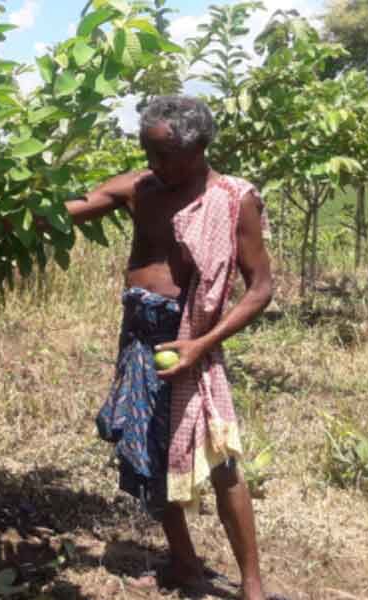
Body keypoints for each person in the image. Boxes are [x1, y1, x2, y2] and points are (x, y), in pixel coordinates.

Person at [65, 96, 278, 600]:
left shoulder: (232, 198)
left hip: (191, 340)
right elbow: (77, 207)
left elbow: (261, 287)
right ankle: (183, 563)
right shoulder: (142, 187)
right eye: (148, 153)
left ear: (200, 148)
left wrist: (200, 343)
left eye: (165, 156)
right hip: (141, 337)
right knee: (151, 453)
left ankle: (252, 587)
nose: (155, 166)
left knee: (221, 458)